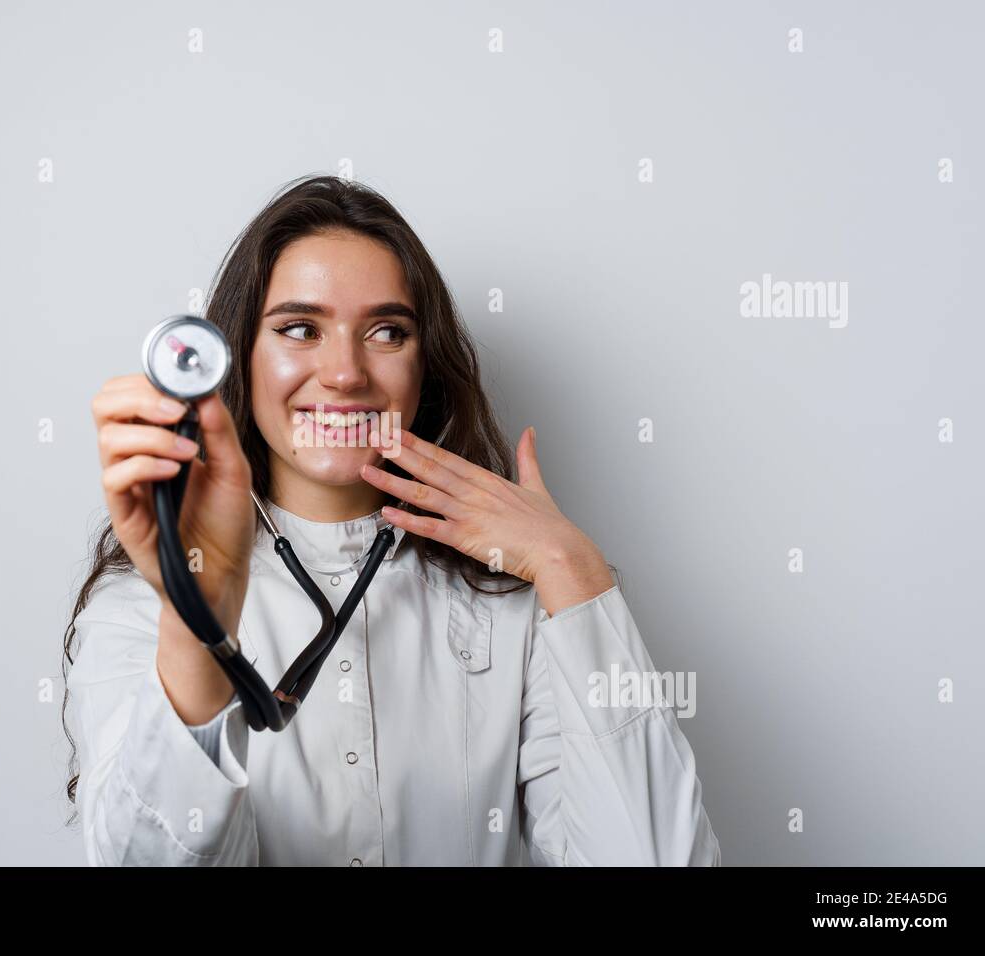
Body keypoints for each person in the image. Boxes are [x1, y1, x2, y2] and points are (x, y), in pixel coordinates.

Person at [61, 174, 721, 866]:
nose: (345, 373)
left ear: (423, 368)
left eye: (386, 331)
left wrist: (571, 569)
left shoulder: (518, 603)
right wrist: (202, 616)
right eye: (299, 328)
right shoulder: (142, 601)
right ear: (237, 357)